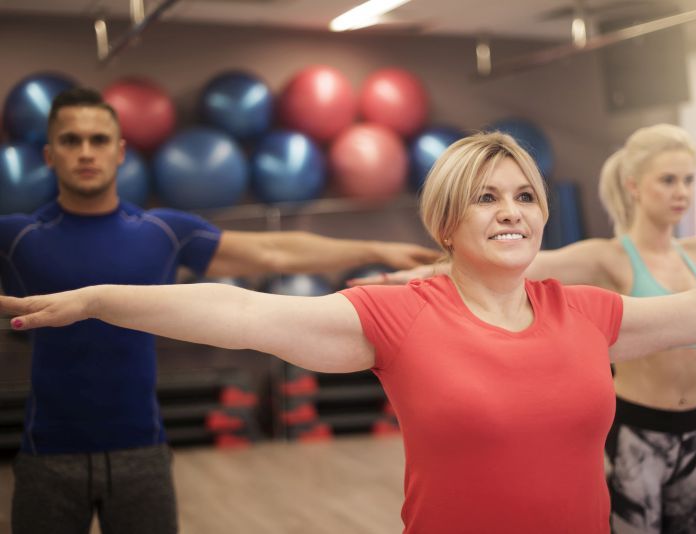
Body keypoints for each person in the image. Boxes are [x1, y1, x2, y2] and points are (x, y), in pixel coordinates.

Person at [2, 131, 696, 534]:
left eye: (523, 195)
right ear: (446, 222)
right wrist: (103, 296)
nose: (512, 211)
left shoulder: (581, 310)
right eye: (487, 198)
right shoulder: (399, 317)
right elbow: (244, 313)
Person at [0, 87, 439, 534]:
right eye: (71, 141)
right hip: (46, 456)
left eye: (99, 140)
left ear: (120, 152)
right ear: (50, 155)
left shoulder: (161, 232)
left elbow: (274, 251)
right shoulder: (17, 237)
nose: (86, 152)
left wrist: (377, 247)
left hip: (142, 454)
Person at [353, 124, 696, 533]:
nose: (680, 191)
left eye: (688, 180)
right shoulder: (608, 258)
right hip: (638, 424)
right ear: (634, 186)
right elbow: (513, 257)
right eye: (668, 179)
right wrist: (410, 279)